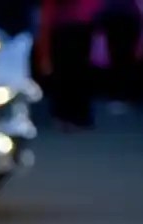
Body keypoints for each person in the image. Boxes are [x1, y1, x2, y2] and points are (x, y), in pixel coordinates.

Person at [39, 0, 102, 128]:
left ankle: (72, 115)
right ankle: (73, 115)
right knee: (72, 73)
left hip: (71, 27)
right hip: (71, 27)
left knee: (72, 73)